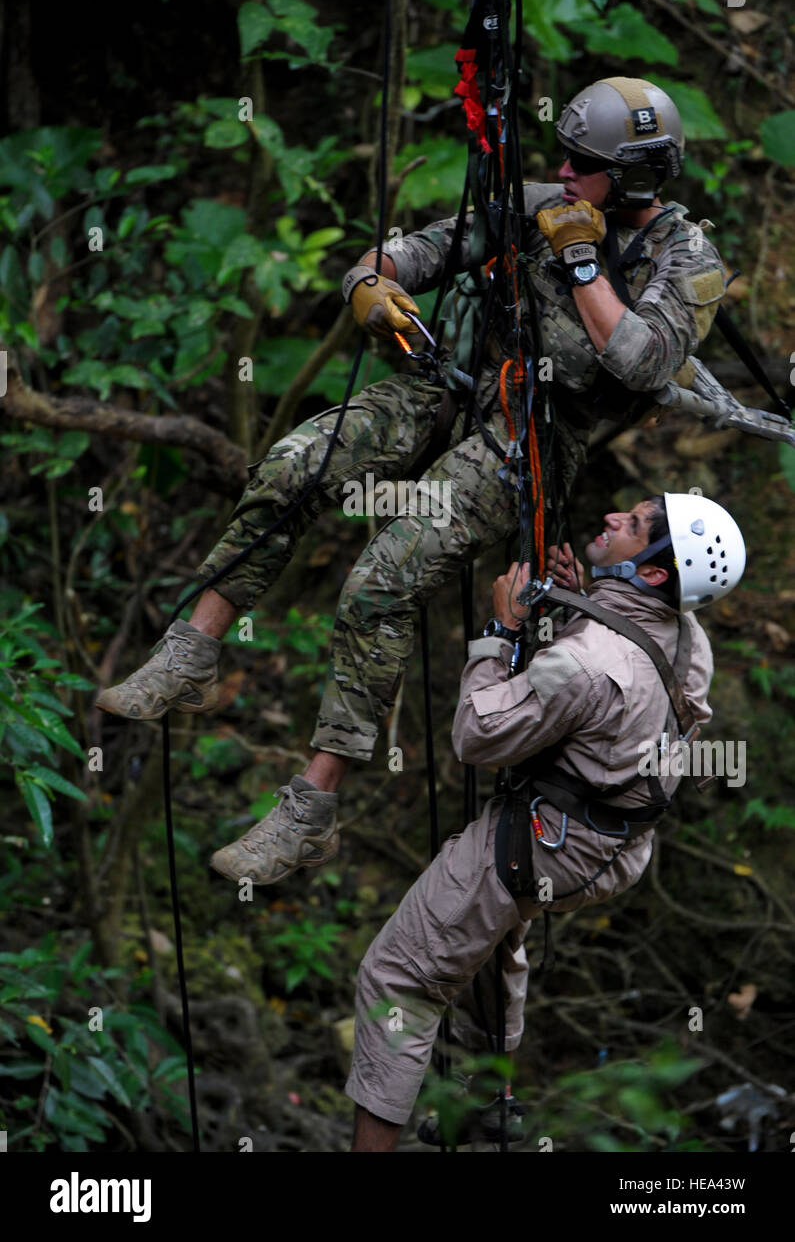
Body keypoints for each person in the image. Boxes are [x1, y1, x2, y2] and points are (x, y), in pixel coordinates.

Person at [94, 77, 728, 887]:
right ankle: (191, 651)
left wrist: (575, 256)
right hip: (456, 384)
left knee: (382, 577)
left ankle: (310, 811)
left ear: (635, 175)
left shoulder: (687, 262)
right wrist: (372, 281)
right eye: (563, 158)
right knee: (294, 466)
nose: (564, 175)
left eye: (584, 164)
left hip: (532, 438)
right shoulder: (540, 203)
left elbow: (638, 359)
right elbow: (420, 249)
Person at [346, 491, 746, 1151]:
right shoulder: (685, 640)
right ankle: (487, 1104)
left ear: (649, 571)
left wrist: (499, 633)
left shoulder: (587, 662)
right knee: (480, 942)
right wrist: (578, 599)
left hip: (540, 843)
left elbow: (477, 734)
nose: (614, 514)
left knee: (400, 975)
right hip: (613, 847)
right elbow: (635, 696)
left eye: (635, 523)